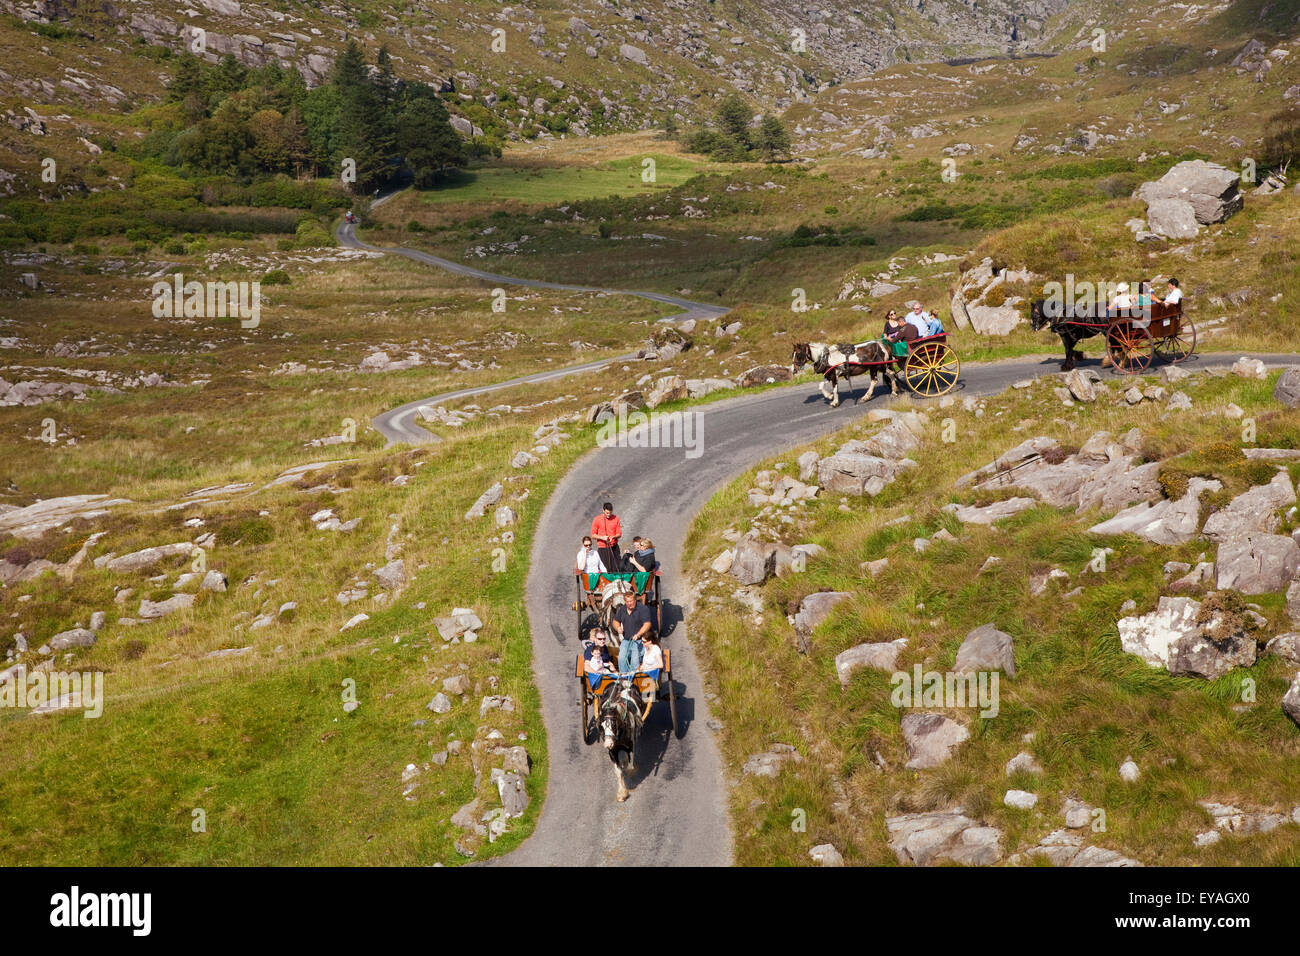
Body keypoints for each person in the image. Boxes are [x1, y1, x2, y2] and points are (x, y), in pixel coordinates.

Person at [611, 591, 654, 673]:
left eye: (631, 601)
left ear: (635, 600)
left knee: (635, 661)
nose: (629, 603)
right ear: (625, 602)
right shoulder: (622, 609)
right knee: (621, 659)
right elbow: (615, 621)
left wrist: (638, 634)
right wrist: (618, 628)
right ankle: (624, 678)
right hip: (626, 639)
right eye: (627, 602)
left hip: (639, 640)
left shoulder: (643, 609)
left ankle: (634, 679)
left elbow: (647, 624)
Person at [574, 535, 606, 612]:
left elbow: (601, 565)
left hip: (597, 575)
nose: (588, 546)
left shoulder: (595, 553)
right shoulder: (580, 554)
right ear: (583, 545)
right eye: (586, 545)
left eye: (589, 545)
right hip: (588, 576)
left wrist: (605, 573)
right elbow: (581, 567)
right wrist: (585, 554)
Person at [590, 502, 621, 573]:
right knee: (605, 570)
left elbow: (619, 534)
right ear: (603, 510)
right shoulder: (597, 519)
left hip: (614, 547)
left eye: (610, 513)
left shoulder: (616, 518)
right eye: (607, 513)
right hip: (602, 548)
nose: (609, 515)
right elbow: (593, 535)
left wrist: (613, 536)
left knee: (617, 569)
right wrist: (602, 538)